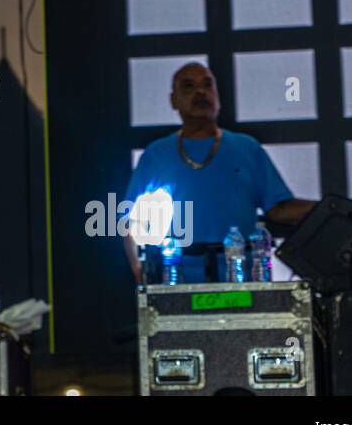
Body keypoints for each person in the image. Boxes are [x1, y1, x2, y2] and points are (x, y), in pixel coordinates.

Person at [122, 62, 317, 283]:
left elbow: (278, 208)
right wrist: (139, 271)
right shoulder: (157, 154)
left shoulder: (246, 148)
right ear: (173, 100)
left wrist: (334, 208)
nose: (200, 92)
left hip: (240, 279)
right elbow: (129, 221)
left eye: (207, 85)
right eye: (188, 86)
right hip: (177, 280)